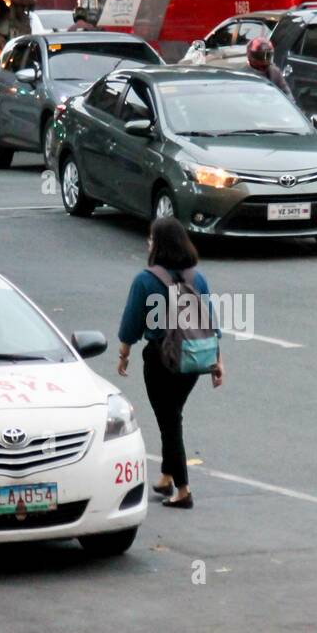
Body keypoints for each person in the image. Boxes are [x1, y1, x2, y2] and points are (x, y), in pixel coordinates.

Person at [117, 217, 224, 510]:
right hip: (192, 358)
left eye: (151, 238)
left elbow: (131, 324)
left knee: (169, 421)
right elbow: (211, 323)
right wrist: (217, 362)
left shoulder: (145, 280)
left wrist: (123, 354)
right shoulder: (196, 278)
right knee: (172, 414)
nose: (148, 242)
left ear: (160, 245)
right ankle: (165, 476)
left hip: (160, 359)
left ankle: (183, 488)